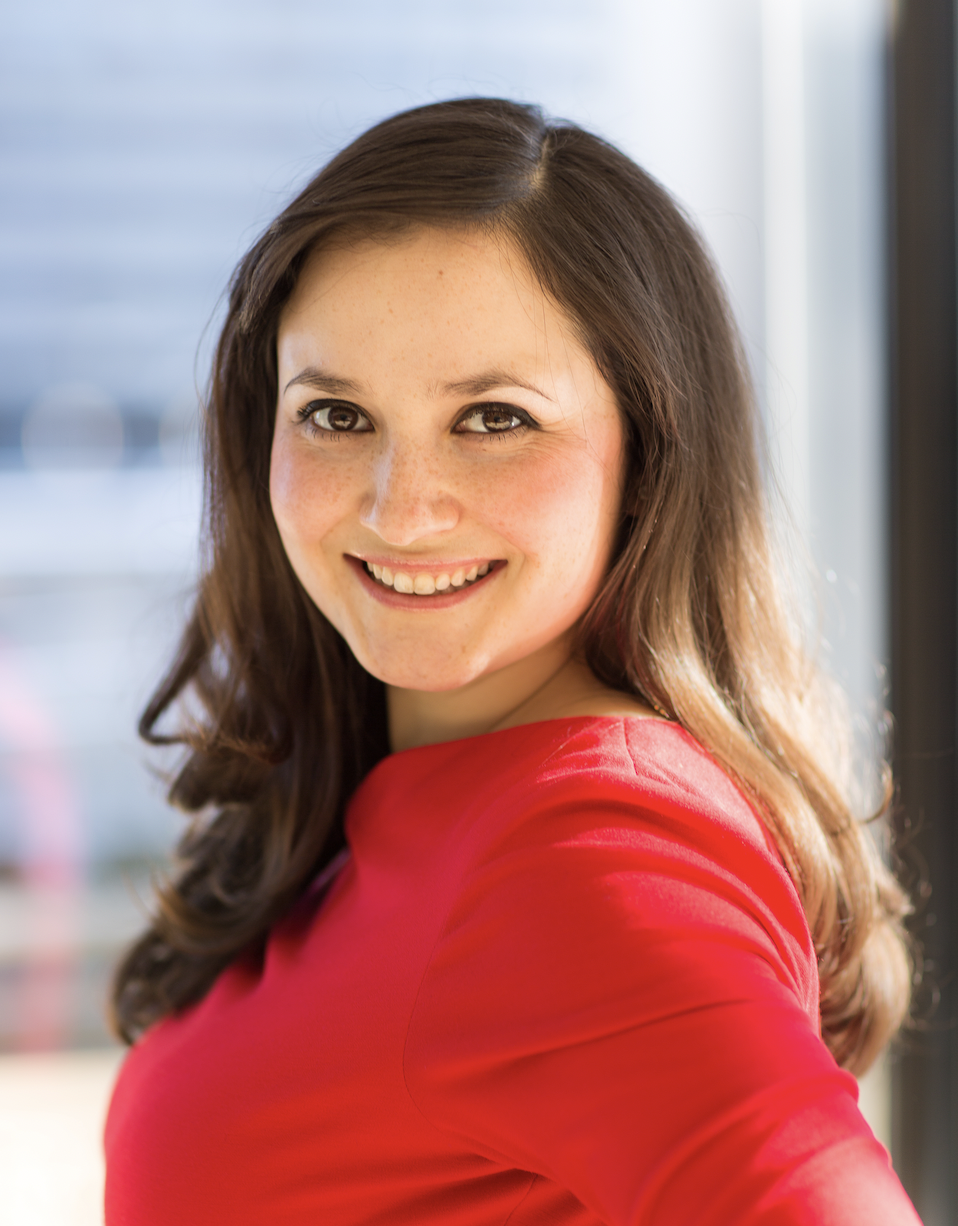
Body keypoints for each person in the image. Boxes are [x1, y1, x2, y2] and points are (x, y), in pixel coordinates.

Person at [103, 98, 921, 1224]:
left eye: (493, 418)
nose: (400, 508)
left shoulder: (582, 845)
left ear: (648, 447)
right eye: (335, 415)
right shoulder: (422, 804)